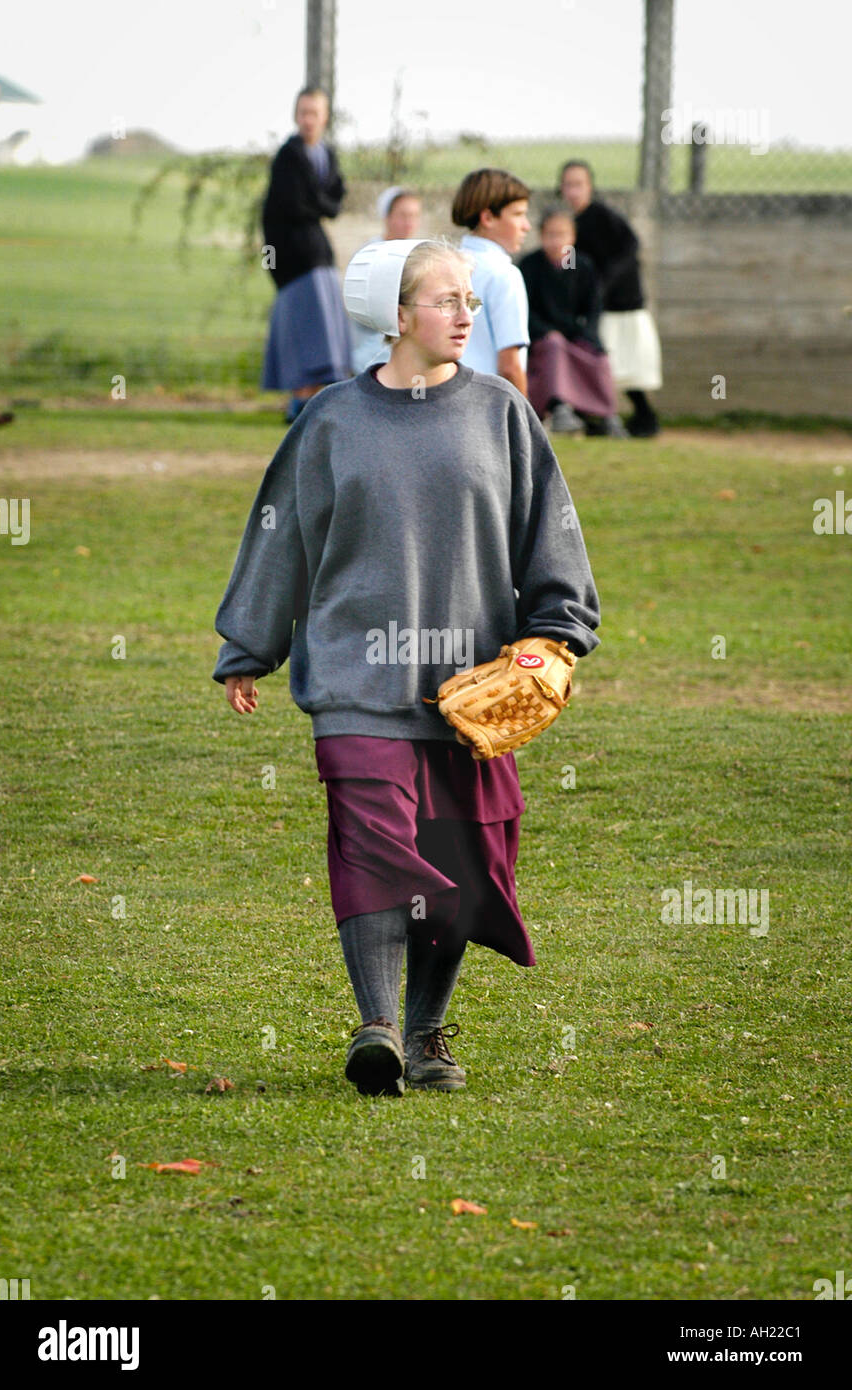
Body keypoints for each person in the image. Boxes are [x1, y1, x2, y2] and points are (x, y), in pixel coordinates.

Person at [212, 236, 600, 1098]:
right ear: (395, 316)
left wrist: (558, 630)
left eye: (470, 299)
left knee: (463, 862)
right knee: (372, 847)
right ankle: (378, 1025)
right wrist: (250, 644)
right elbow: (281, 536)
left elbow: (550, 534)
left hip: (469, 693)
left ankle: (428, 1032)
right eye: (444, 301)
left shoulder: (501, 413)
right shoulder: (332, 420)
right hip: (356, 682)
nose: (466, 315)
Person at [261, 87, 353, 423]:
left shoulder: (326, 154)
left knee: (324, 327)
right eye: (302, 113)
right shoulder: (289, 156)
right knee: (303, 327)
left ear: (325, 116)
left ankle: (319, 402)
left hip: (317, 252)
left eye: (314, 113)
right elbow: (297, 203)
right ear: (295, 115)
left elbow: (334, 199)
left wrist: (320, 202)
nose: (308, 120)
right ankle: (298, 401)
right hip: (291, 258)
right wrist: (321, 203)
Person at [560, 160, 663, 437]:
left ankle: (643, 417)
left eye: (578, 184)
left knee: (624, 366)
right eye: (568, 185)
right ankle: (599, 417)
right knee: (601, 364)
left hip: (622, 302)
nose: (573, 191)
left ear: (590, 187)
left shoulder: (603, 216)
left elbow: (630, 246)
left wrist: (605, 282)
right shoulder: (572, 225)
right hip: (600, 306)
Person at [519, 206, 628, 437]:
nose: (557, 241)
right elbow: (524, 310)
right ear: (541, 236)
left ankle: (606, 415)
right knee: (555, 347)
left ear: (573, 237)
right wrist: (545, 331)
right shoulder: (530, 266)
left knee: (597, 355)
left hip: (575, 335)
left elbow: (593, 308)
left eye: (562, 234)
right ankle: (559, 407)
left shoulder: (583, 266)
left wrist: (587, 335)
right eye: (551, 234)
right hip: (543, 338)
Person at [451, 168, 531, 395]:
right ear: (487, 218)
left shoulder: (443, 263)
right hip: (487, 408)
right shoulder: (504, 274)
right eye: (518, 214)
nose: (527, 225)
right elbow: (509, 366)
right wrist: (525, 424)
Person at [349, 186, 423, 375]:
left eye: (414, 216)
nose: (409, 223)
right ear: (387, 217)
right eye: (403, 215)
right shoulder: (373, 254)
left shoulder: (418, 254)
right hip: (371, 346)